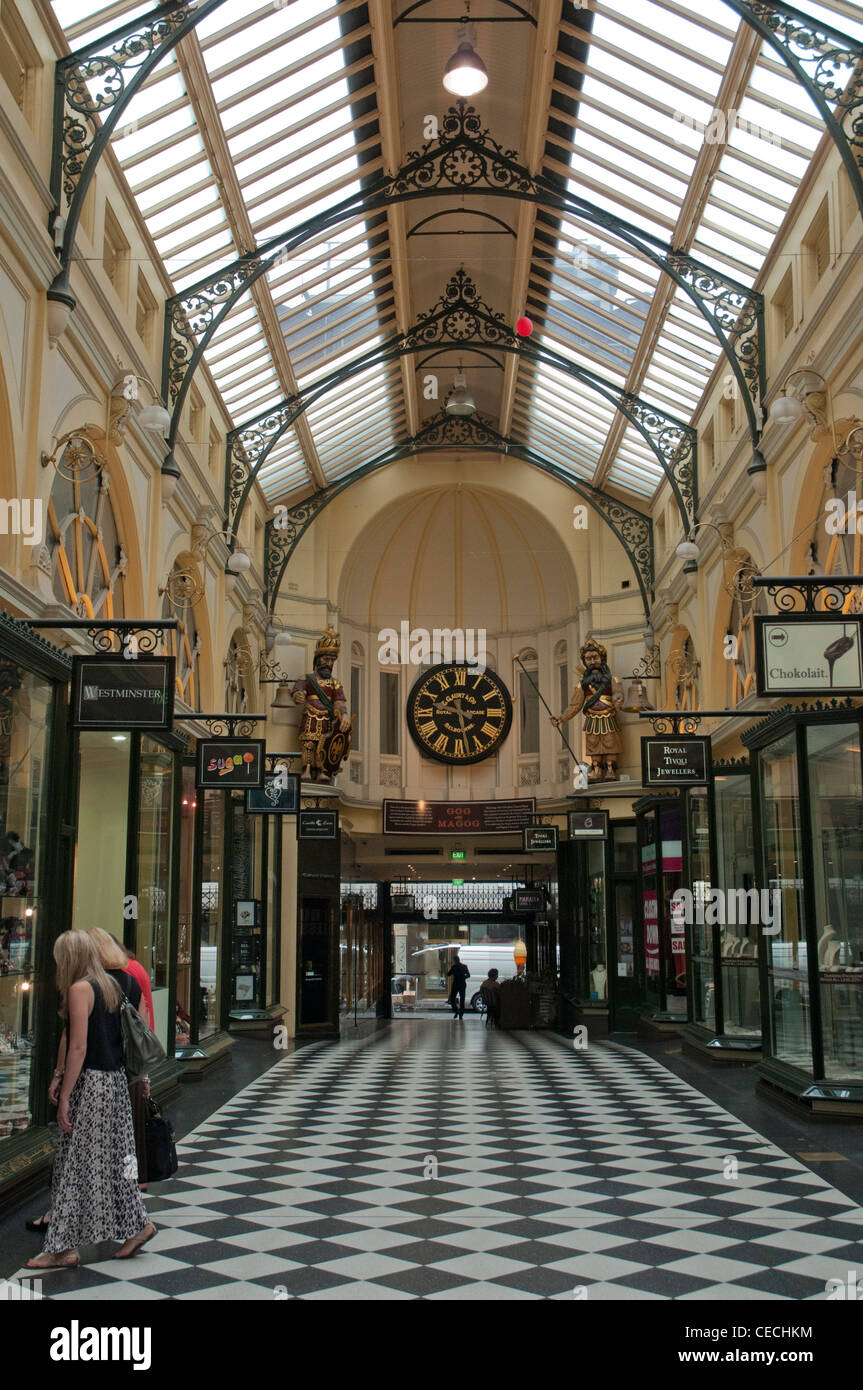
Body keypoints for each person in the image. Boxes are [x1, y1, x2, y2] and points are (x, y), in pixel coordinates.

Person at [26, 930, 155, 1270]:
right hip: (116, 1083)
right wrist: (143, 1079)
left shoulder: (80, 989)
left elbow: (78, 1046)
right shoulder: (121, 985)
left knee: (74, 1166)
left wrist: (65, 1094)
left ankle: (62, 1247)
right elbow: (137, 1035)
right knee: (117, 1160)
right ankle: (138, 1225)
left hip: (92, 1084)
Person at [88, 928, 150, 1189]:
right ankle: (132, 1179)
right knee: (129, 1130)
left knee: (110, 1131)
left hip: (105, 1067)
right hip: (129, 1066)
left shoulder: (91, 985)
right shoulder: (129, 980)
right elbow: (143, 1024)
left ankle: (110, 1182)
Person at [446, 952, 470, 1020]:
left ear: (454, 960)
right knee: (462, 999)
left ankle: (456, 1011)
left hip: (455, 984)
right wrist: (463, 978)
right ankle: (461, 1014)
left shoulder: (454, 967)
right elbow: (468, 975)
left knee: (452, 999)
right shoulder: (464, 966)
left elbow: (448, 974)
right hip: (462, 984)